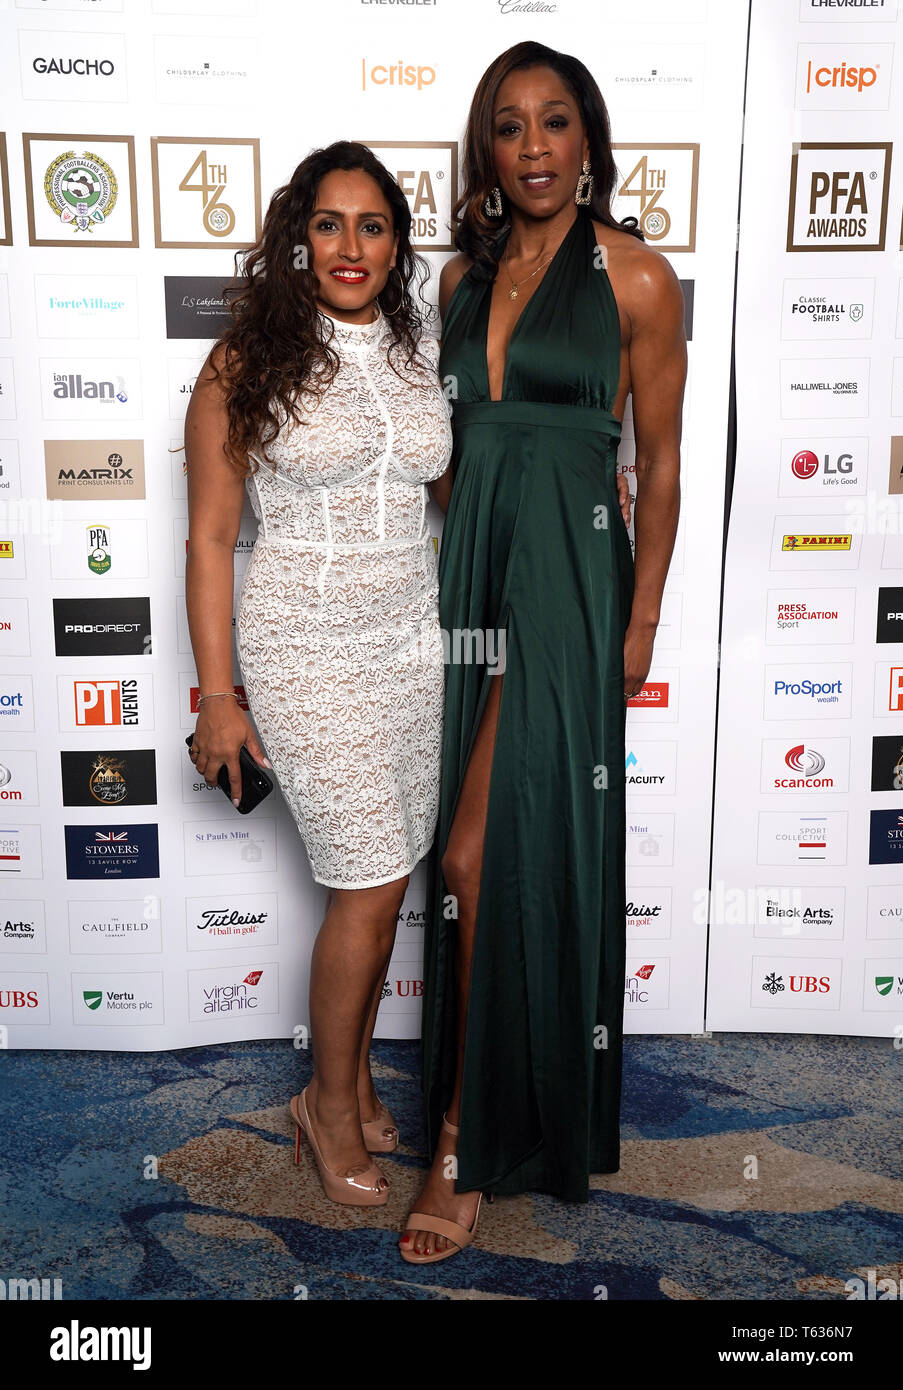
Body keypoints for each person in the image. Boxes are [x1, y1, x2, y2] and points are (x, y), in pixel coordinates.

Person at [400, 42, 686, 1262]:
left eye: (554, 123)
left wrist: (641, 619)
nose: (532, 147)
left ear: (589, 141)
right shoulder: (459, 279)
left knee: (477, 851)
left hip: (571, 586)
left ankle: (465, 1138)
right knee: (472, 850)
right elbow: (455, 455)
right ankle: (510, 1106)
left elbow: (660, 462)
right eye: (510, 126)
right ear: (488, 148)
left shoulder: (635, 278)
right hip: (474, 575)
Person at [184, 141, 455, 1206]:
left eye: (374, 225)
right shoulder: (243, 363)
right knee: (369, 881)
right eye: (331, 224)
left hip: (412, 643)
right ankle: (325, 1103)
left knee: (389, 884)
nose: (352, 246)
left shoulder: (413, 351)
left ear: (396, 243)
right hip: (305, 640)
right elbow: (211, 540)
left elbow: (450, 490)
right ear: (301, 239)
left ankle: (352, 1076)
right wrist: (217, 697)